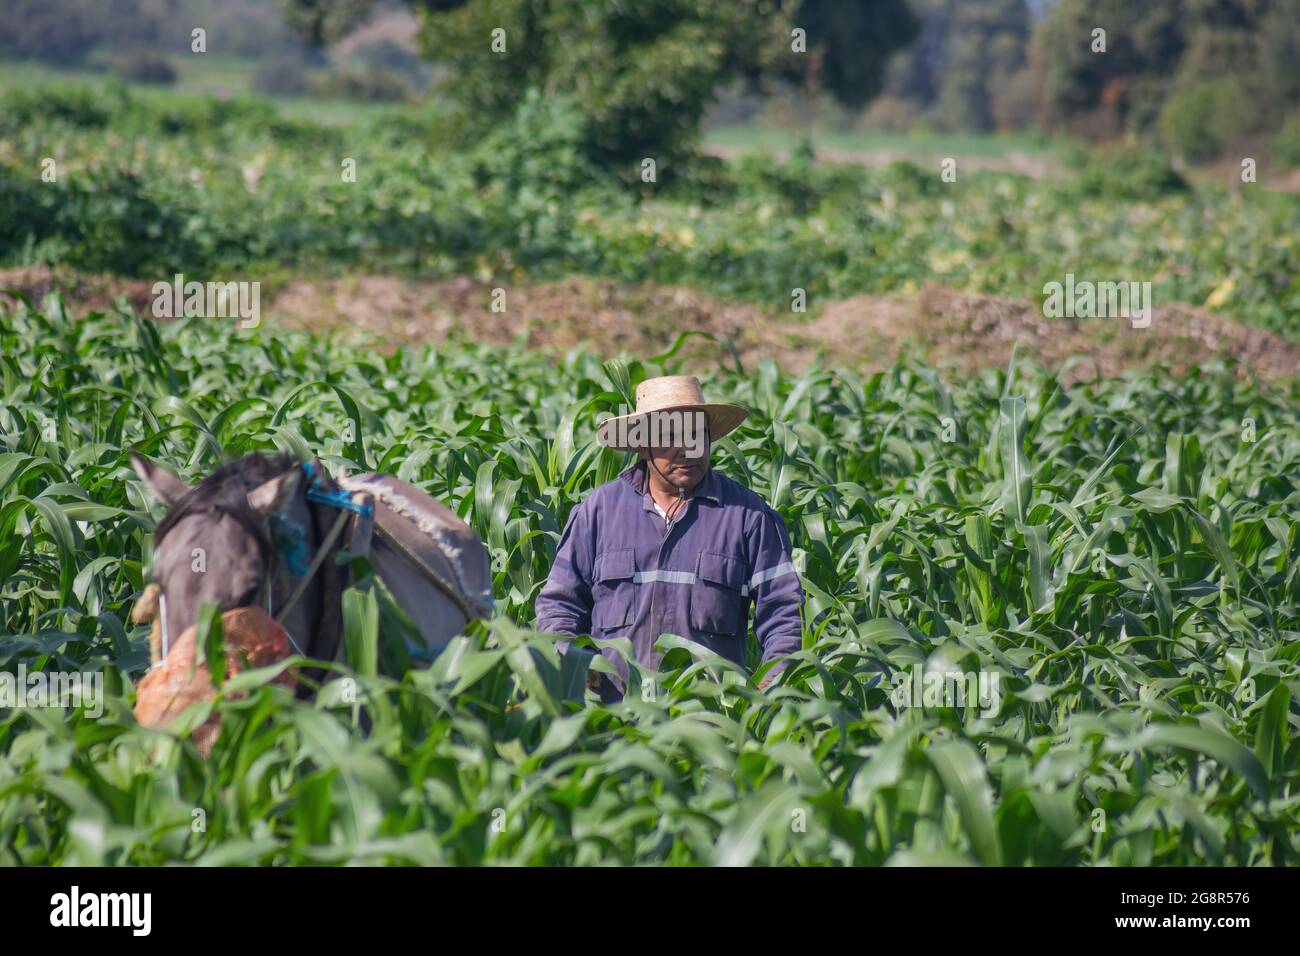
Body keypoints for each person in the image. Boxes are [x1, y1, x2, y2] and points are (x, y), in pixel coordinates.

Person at [535, 375, 803, 698]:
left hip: (712, 729)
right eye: (671, 435)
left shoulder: (749, 517)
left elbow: (786, 616)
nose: (686, 449)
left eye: (695, 435)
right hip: (613, 727)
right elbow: (558, 606)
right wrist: (578, 663)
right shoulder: (598, 513)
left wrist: (770, 689)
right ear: (643, 444)